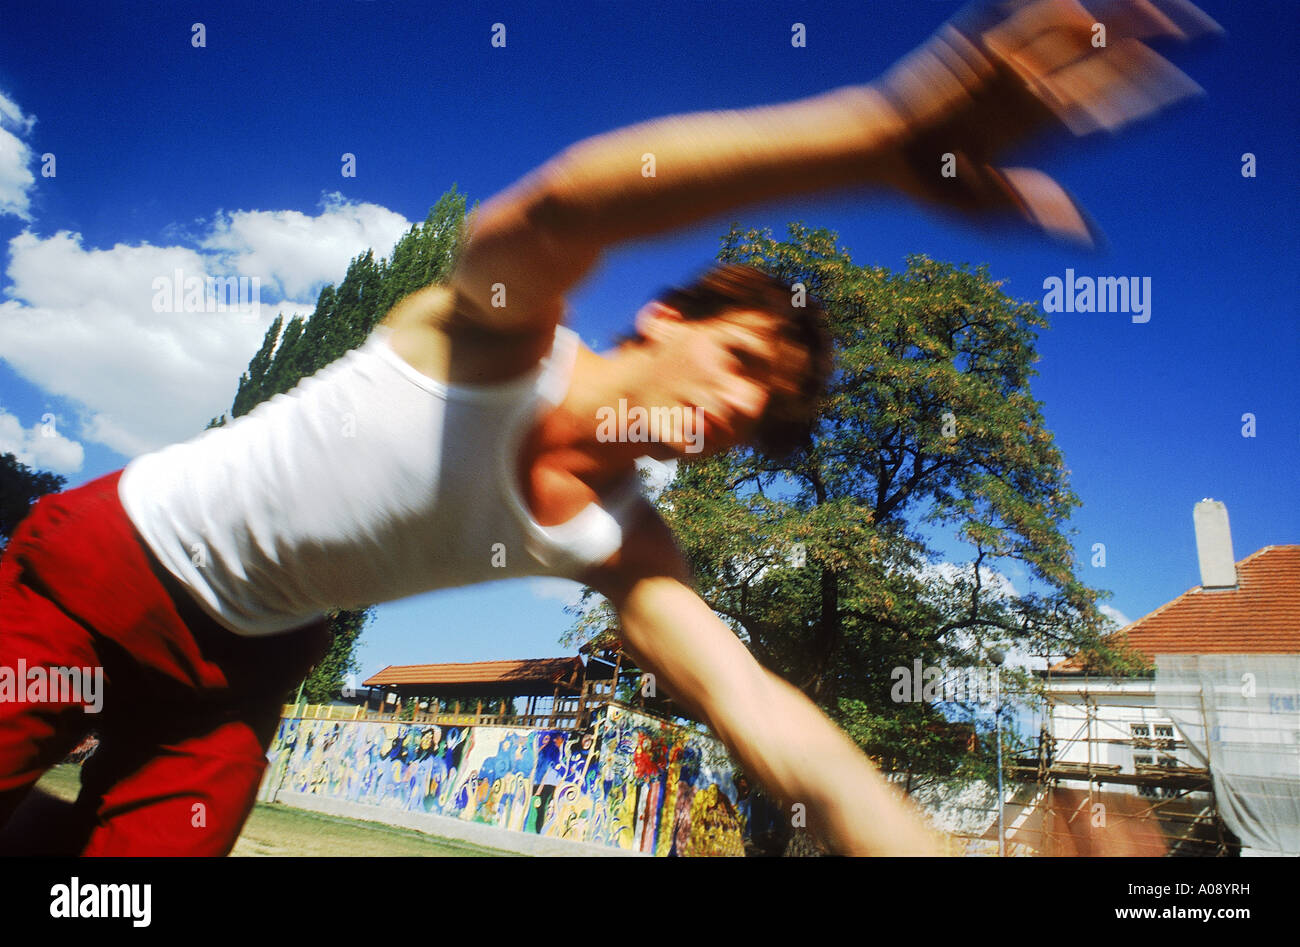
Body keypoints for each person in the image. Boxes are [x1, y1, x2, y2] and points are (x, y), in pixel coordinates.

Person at [0, 0, 1214, 855]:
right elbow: (571, 198)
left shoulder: (624, 546)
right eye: (741, 361)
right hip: (105, 569)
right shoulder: (486, 339)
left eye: (764, 416)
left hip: (235, 676)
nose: (739, 410)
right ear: (655, 317)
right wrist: (885, 131)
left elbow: (779, 724)